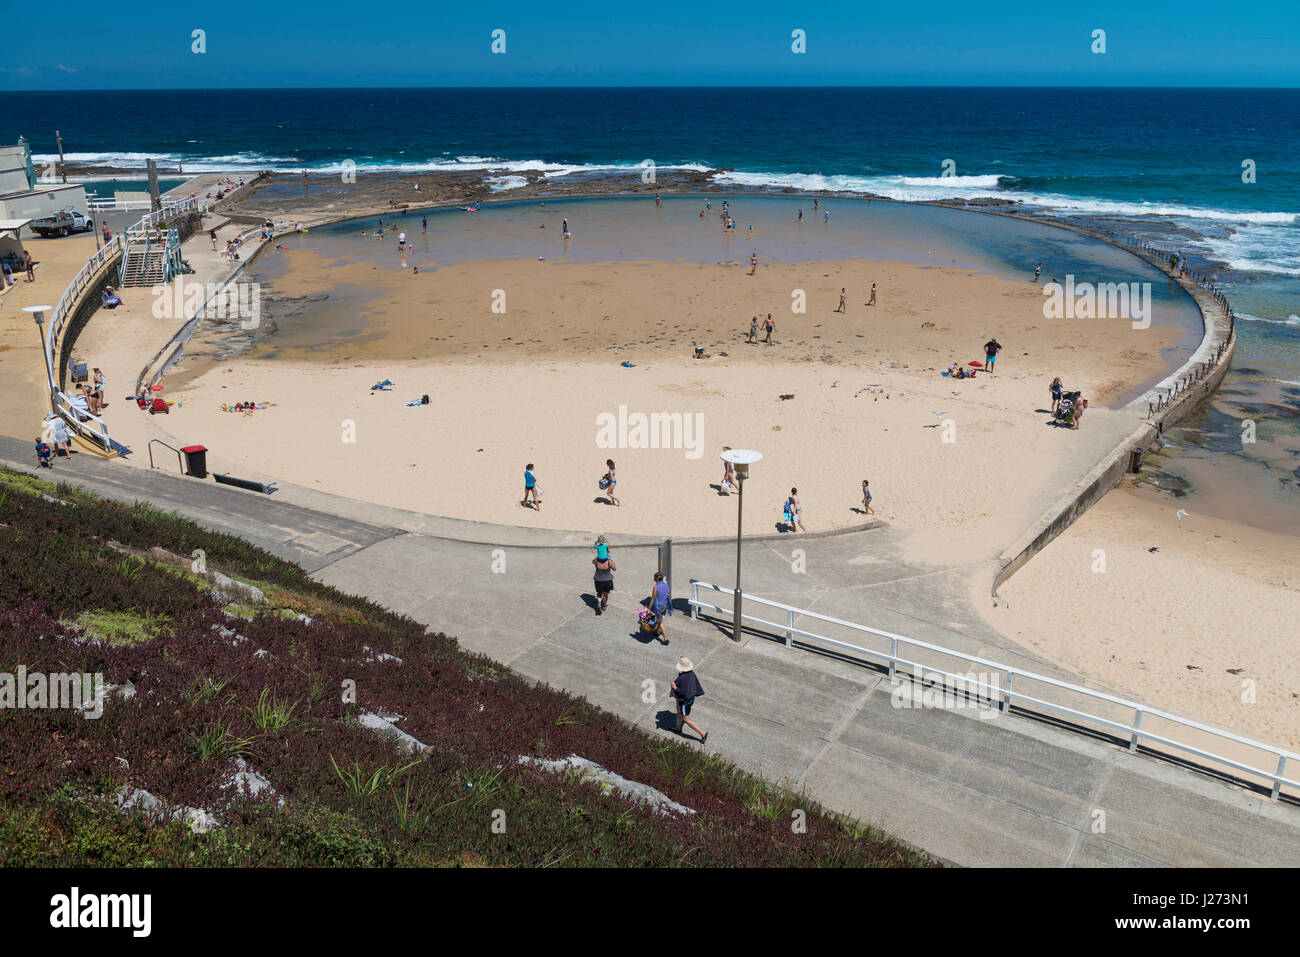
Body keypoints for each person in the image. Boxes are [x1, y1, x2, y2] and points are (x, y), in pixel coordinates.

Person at [671, 657, 707, 742]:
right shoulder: (691, 673)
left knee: (686, 719)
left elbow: (683, 692)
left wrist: (675, 688)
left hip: (685, 702)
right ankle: (677, 727)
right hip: (691, 699)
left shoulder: (683, 678)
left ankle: (702, 733)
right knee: (678, 710)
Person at [592, 551, 616, 616]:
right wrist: (612, 561)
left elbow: (593, 562)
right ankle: (604, 606)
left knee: (599, 594)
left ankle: (599, 605)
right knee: (605, 594)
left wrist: (598, 557)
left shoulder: (596, 560)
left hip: (598, 580)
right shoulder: (609, 561)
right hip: (607, 580)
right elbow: (614, 569)